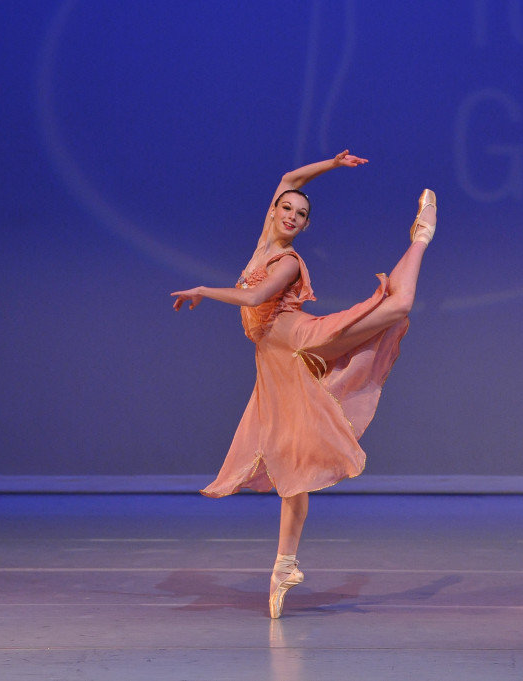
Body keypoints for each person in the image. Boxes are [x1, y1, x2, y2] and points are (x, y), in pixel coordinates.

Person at [171, 150, 436, 618]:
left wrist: (203, 291)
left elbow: (254, 296)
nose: (293, 216)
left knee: (397, 307)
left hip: (306, 342)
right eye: (288, 209)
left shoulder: (287, 263)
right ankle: (284, 567)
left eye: (302, 215)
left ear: (305, 226)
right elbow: (289, 176)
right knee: (291, 467)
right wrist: (332, 165)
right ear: (273, 211)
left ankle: (420, 238)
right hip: (277, 369)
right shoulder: (262, 244)